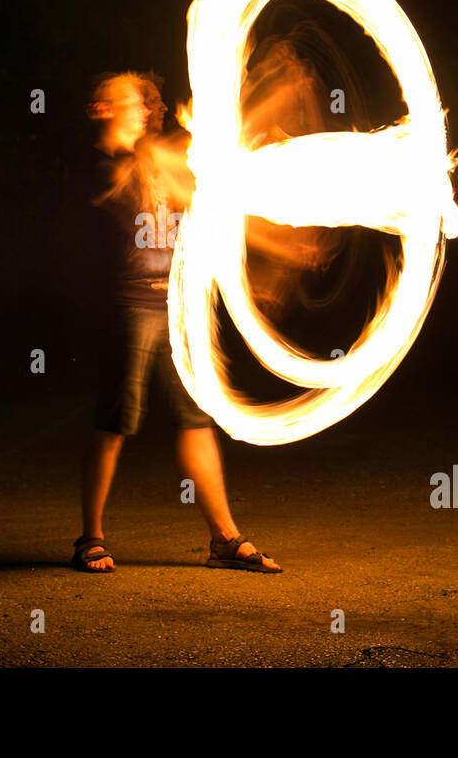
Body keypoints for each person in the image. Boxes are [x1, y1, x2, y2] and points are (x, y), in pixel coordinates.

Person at [72, 70, 282, 573]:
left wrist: (277, 252)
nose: (146, 108)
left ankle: (224, 539)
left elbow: (211, 206)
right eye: (134, 101)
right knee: (116, 421)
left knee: (195, 419)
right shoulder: (100, 170)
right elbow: (114, 190)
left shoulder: (159, 160)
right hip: (129, 306)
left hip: (174, 305)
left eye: (148, 102)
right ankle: (90, 539)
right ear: (102, 109)